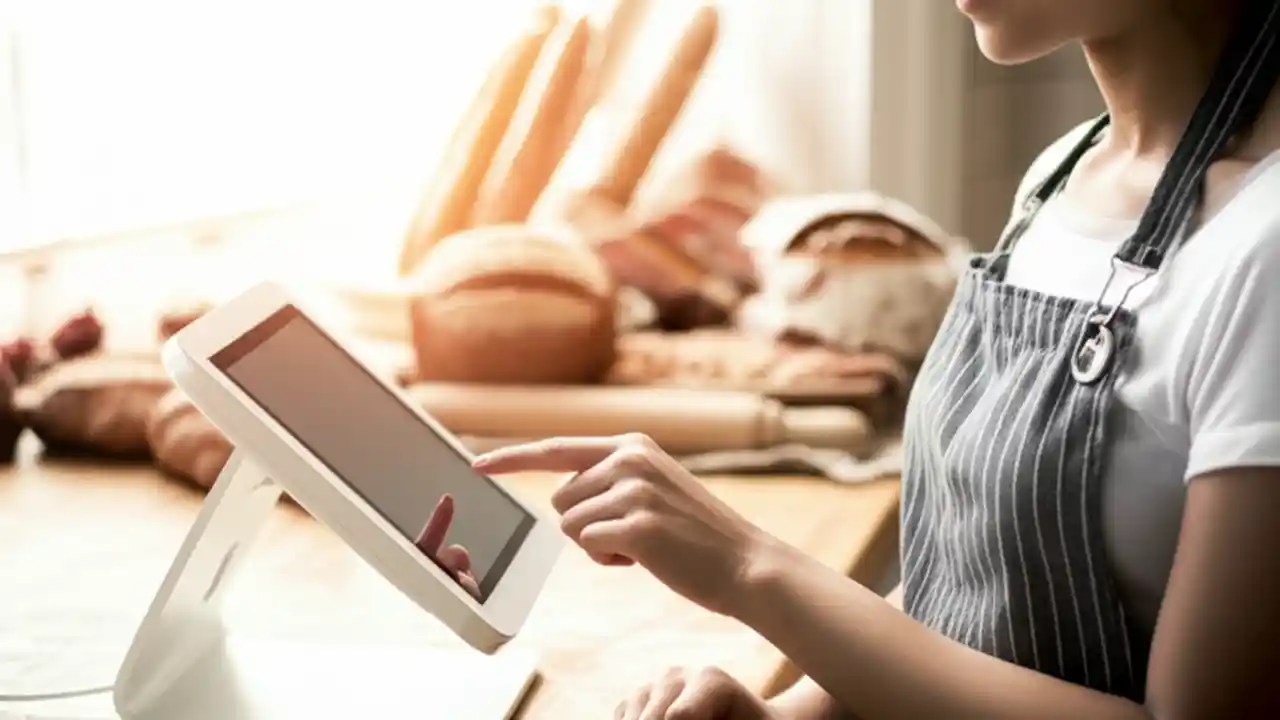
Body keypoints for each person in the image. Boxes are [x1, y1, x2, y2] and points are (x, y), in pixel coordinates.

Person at [469, 0, 1280, 716]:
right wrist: (787, 714)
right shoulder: (1065, 174)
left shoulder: (1264, 244)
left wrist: (754, 568)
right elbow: (969, 579)